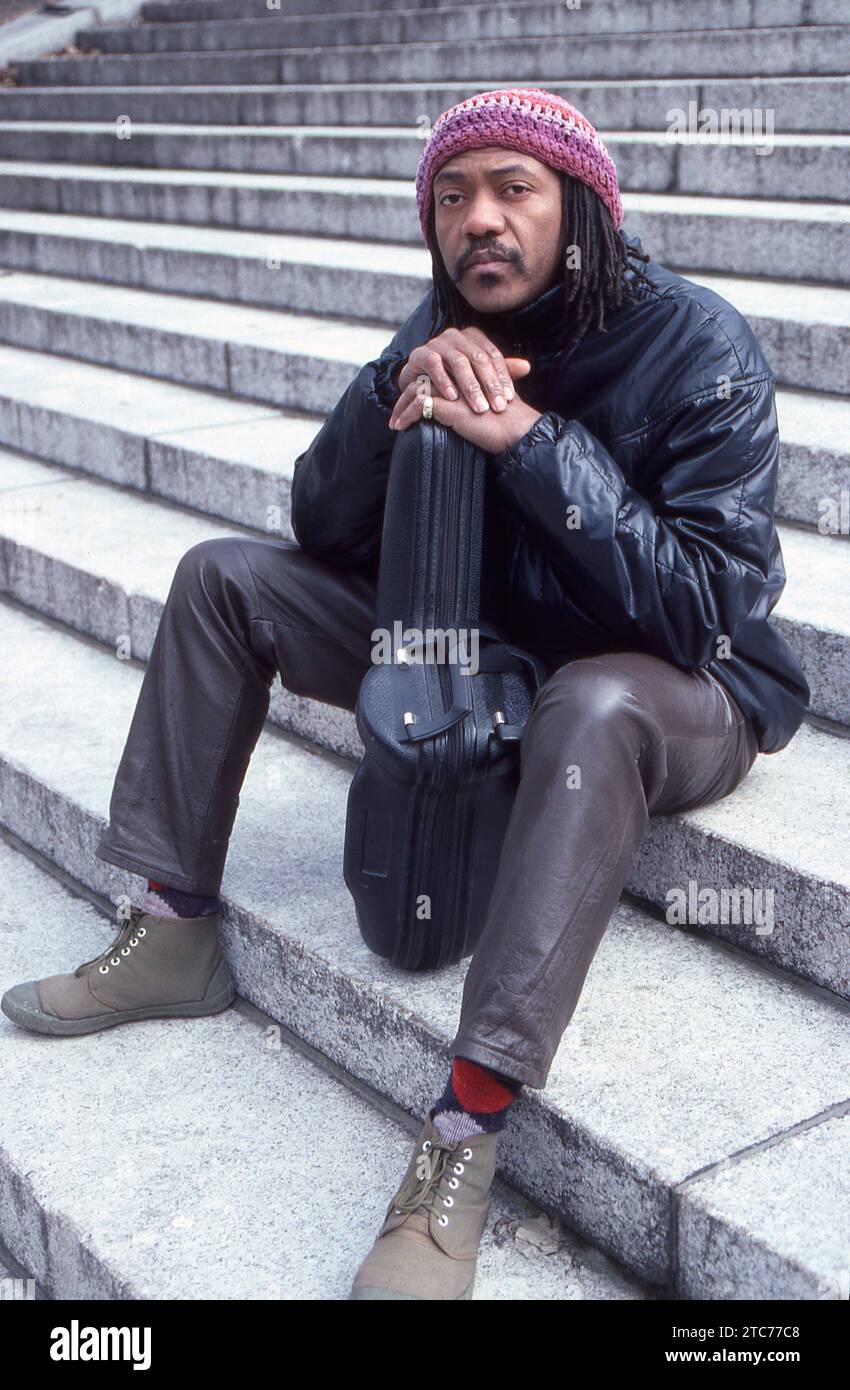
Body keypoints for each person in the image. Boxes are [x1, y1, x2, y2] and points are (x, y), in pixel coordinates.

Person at [1, 88, 810, 1301]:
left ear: (581, 210)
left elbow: (704, 609)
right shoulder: (442, 321)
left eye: (513, 191)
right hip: (486, 648)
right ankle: (172, 927)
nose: (479, 220)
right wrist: (397, 398)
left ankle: (464, 1129)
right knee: (223, 579)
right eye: (451, 198)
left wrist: (530, 440)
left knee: (588, 708)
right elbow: (320, 528)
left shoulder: (698, 346)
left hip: (675, 686)